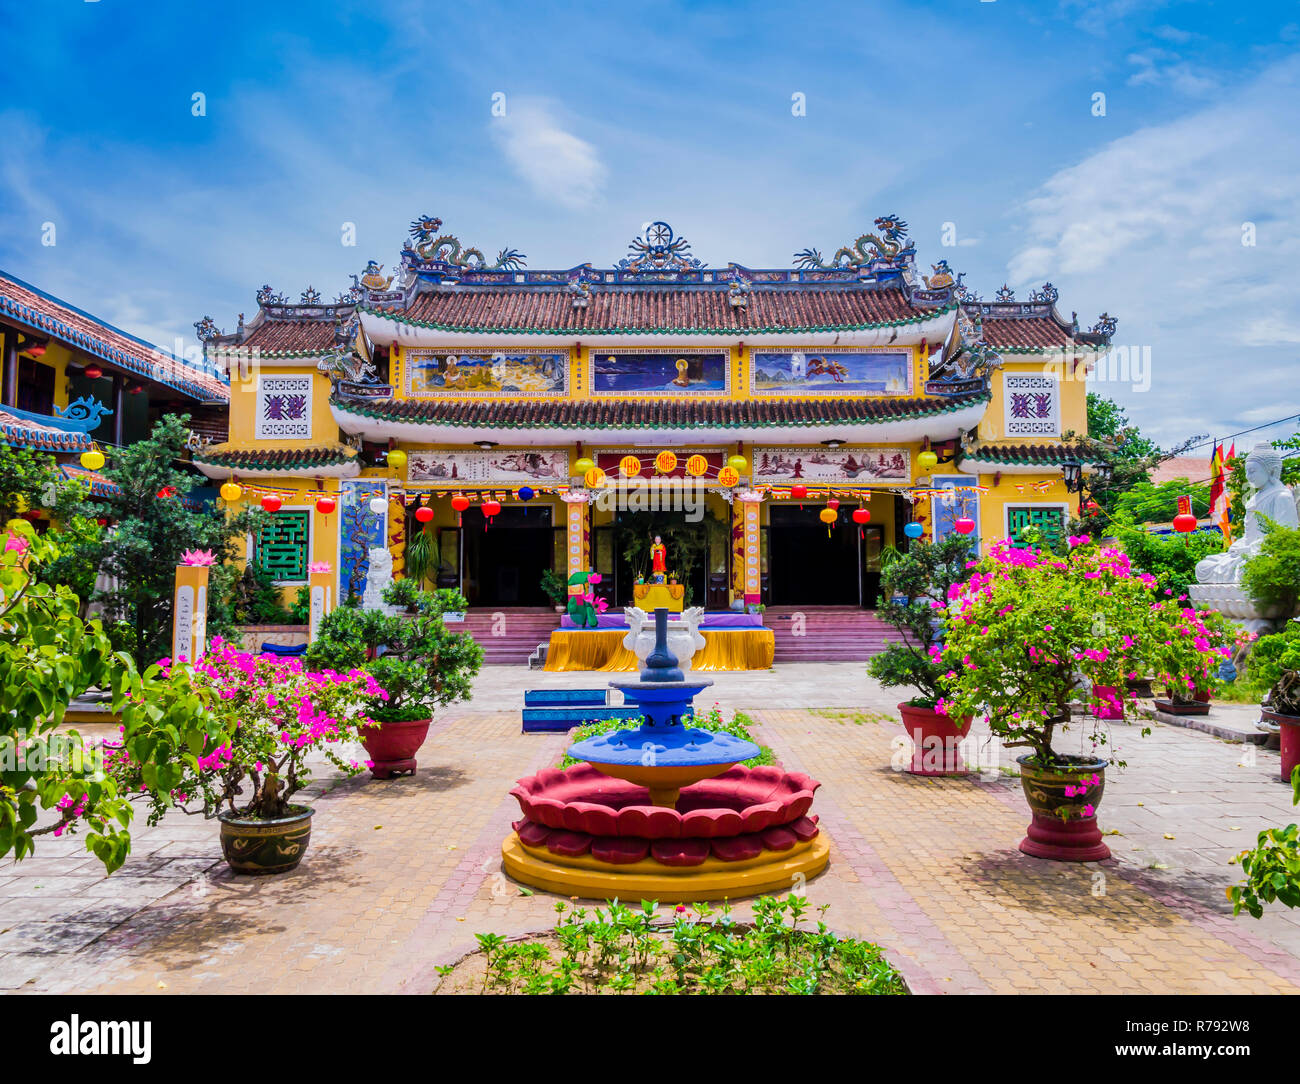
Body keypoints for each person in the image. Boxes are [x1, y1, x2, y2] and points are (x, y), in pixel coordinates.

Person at [1195, 442, 1298, 584]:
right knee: (1203, 568)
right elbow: (1250, 535)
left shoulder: (1281, 496)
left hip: (1270, 555)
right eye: (1247, 472)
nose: (1248, 476)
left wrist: (1252, 548)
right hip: (1248, 553)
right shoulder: (1254, 498)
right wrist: (1239, 545)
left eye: (1253, 471)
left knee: (1247, 570)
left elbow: (1285, 536)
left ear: (1272, 470)